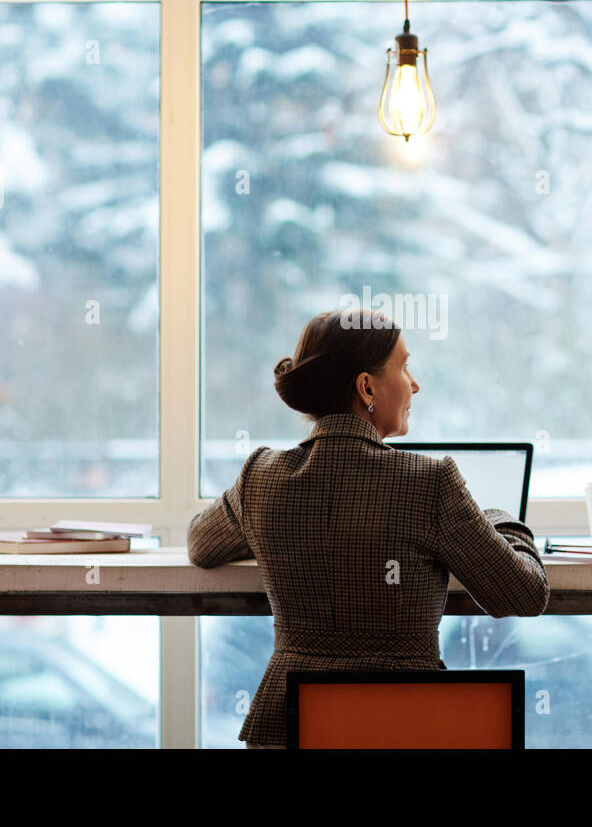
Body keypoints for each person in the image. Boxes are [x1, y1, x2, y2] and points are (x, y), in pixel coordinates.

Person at [187, 307, 550, 748]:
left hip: (287, 724)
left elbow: (200, 545)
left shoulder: (260, 476)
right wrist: (500, 520)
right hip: (405, 721)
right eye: (403, 366)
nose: (414, 383)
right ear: (366, 387)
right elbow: (524, 594)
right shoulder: (429, 482)